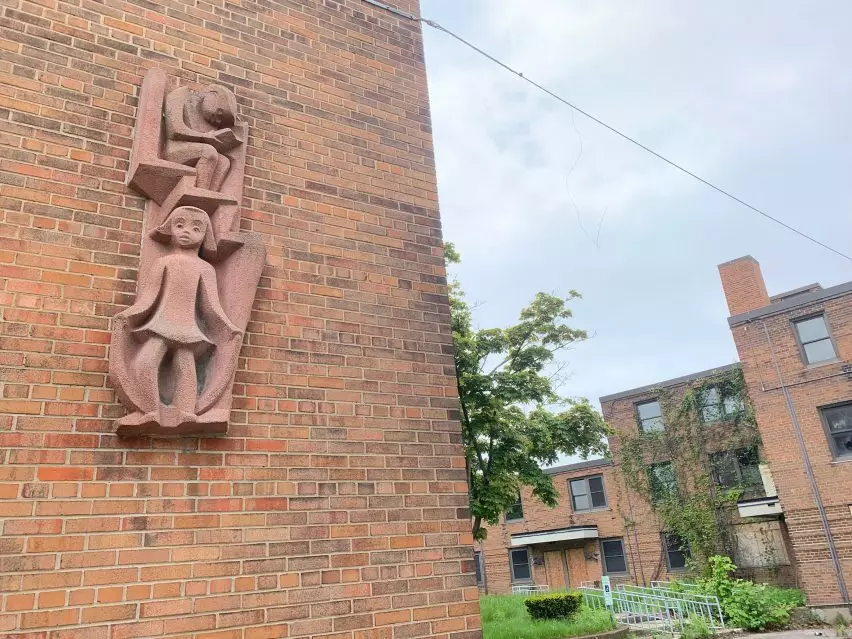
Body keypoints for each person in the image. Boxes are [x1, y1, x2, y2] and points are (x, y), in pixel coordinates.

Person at [114, 206, 240, 425]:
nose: (185, 232)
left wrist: (228, 328)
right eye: (179, 225)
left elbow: (211, 305)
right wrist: (128, 315)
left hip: (188, 327)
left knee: (186, 367)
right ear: (171, 229)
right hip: (161, 323)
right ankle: (151, 412)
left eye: (195, 228)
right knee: (145, 362)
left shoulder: (205, 269)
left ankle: (186, 413)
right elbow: (149, 298)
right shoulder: (164, 263)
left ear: (204, 235)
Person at [164, 84, 242, 191]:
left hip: (195, 149)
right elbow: (175, 129)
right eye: (219, 113)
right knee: (208, 152)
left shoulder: (205, 120)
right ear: (212, 95)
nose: (217, 121)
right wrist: (205, 137)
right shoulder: (179, 95)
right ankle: (199, 192)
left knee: (224, 162)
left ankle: (209, 195)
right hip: (173, 149)